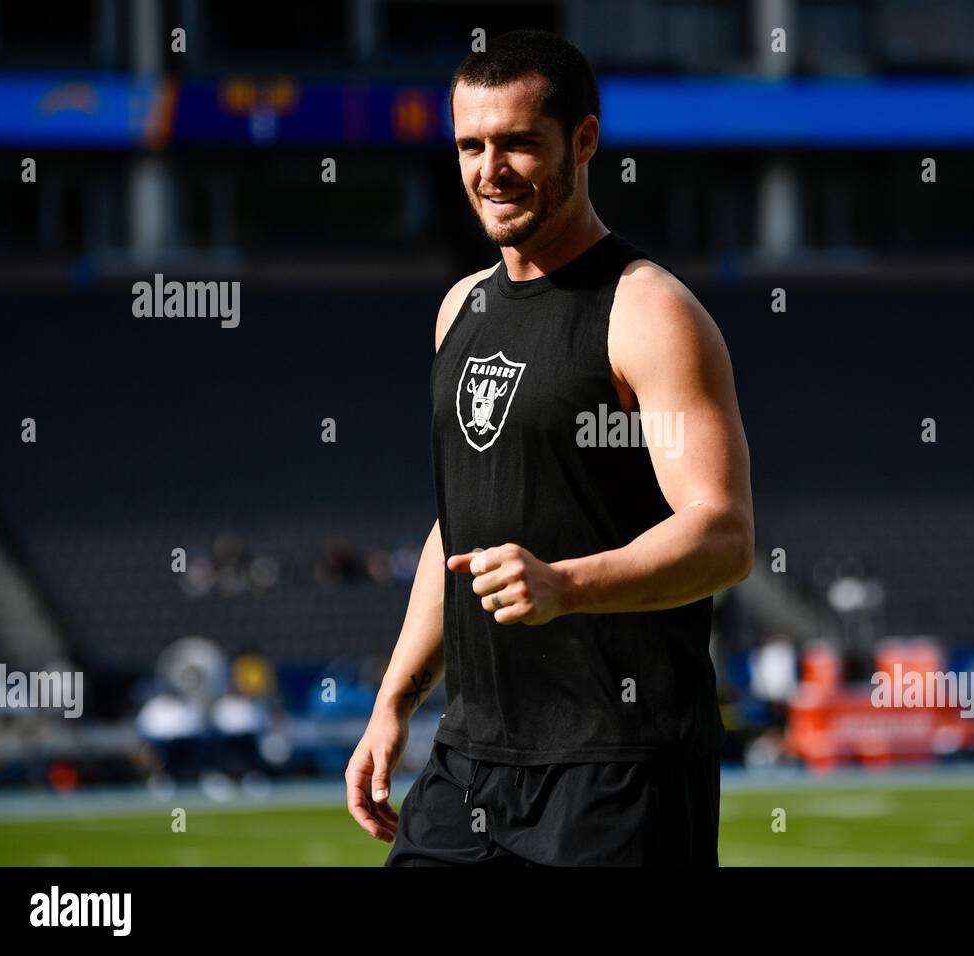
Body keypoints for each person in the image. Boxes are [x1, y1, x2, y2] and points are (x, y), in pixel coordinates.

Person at [344, 30, 753, 866]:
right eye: (470, 144)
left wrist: (566, 584)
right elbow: (455, 528)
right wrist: (395, 698)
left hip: (620, 767)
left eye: (520, 143)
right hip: (472, 761)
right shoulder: (460, 307)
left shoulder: (649, 311)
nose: (490, 169)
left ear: (584, 141)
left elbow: (723, 532)